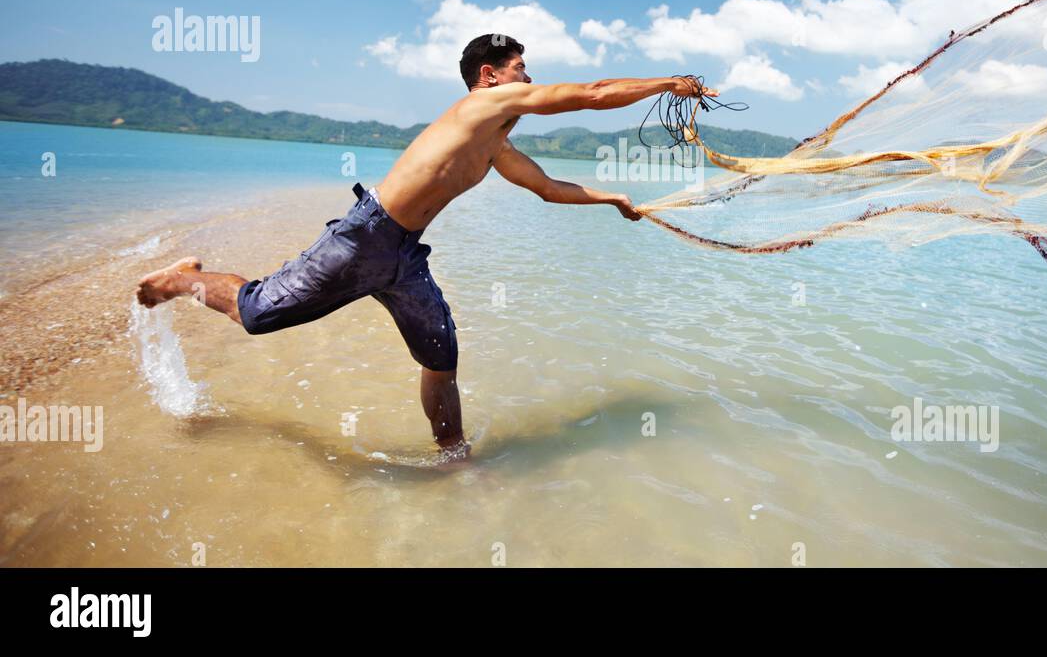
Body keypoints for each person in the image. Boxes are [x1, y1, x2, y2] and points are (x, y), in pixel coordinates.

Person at [136, 33, 716, 458]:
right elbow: (590, 94)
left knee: (440, 358)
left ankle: (452, 456)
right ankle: (185, 276)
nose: (529, 79)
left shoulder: (495, 145)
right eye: (521, 68)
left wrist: (612, 198)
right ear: (489, 76)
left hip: (405, 255)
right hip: (366, 236)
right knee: (257, 315)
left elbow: (546, 187)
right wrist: (668, 83)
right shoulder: (483, 105)